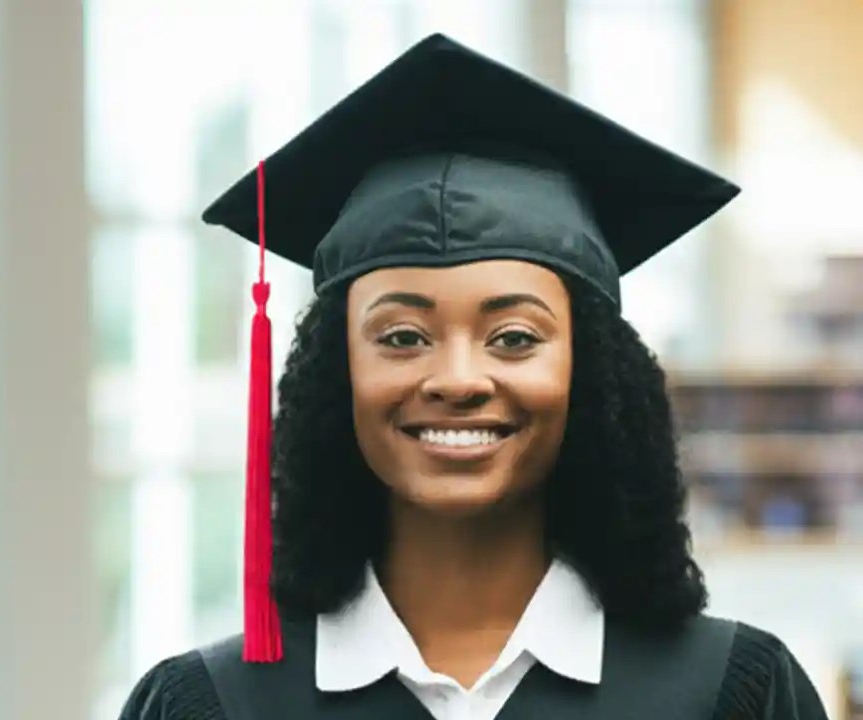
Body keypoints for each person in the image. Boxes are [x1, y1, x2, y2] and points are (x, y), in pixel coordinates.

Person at [118, 33, 829, 720]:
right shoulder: (213, 705)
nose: (458, 378)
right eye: (402, 336)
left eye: (514, 337)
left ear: (591, 372)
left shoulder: (730, 696)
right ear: (338, 373)